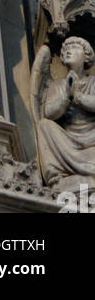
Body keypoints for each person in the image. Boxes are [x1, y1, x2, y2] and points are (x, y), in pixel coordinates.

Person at [33, 37, 95, 188]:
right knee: (44, 126)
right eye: (66, 49)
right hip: (67, 139)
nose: (68, 51)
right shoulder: (58, 85)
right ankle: (57, 177)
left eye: (74, 48)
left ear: (86, 56)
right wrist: (66, 96)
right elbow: (48, 112)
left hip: (91, 137)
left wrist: (77, 96)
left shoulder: (93, 82)